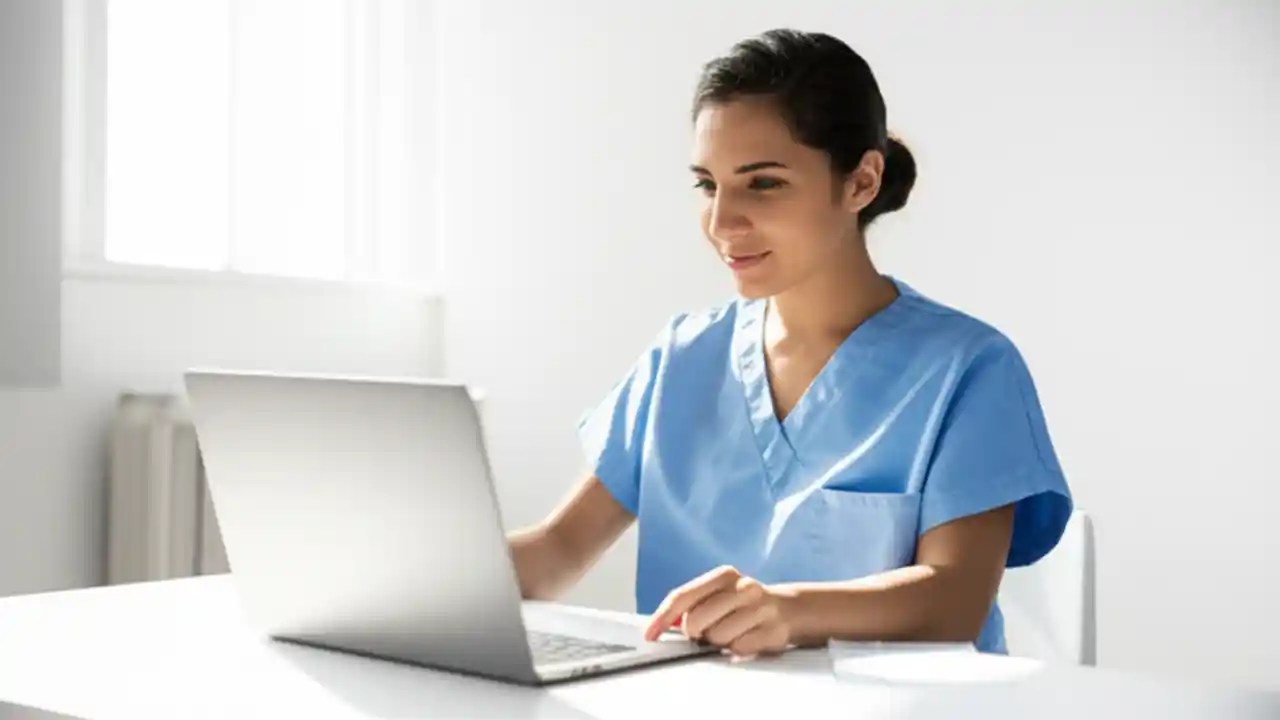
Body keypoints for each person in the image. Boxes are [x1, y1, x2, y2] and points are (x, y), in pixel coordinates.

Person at [507, 28, 1072, 658]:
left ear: (861, 183)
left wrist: (790, 611)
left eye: (764, 183)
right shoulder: (682, 359)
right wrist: (431, 578)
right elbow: (558, 549)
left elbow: (955, 599)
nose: (722, 221)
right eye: (708, 185)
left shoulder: (968, 369)